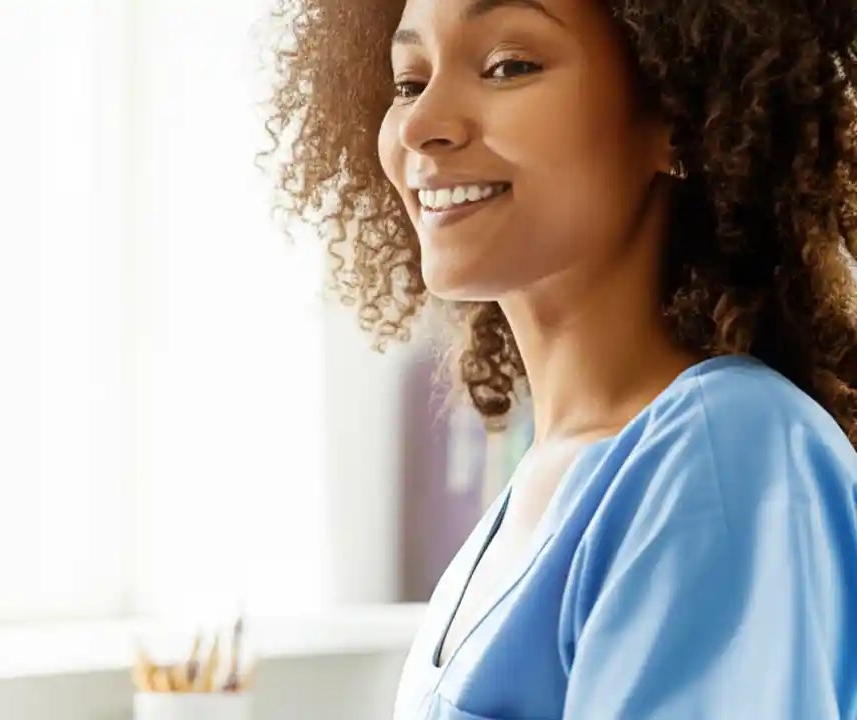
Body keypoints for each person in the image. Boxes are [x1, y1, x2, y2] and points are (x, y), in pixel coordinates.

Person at [260, 0, 857, 717]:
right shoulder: (541, 488)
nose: (420, 125)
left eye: (508, 66)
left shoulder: (729, 454)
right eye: (409, 82)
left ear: (679, 118)